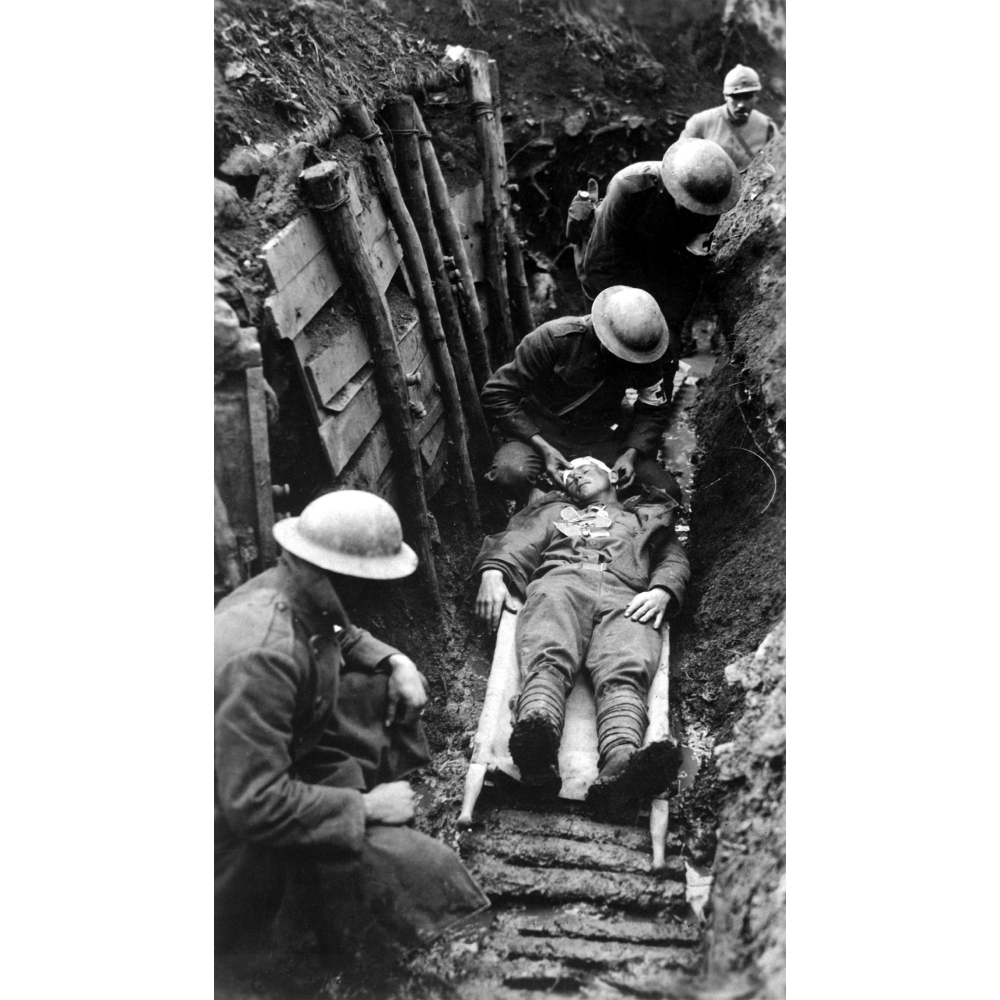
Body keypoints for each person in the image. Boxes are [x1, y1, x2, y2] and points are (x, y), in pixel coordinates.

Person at [215, 490, 488, 959]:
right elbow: (255, 803)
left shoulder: (292, 585)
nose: (372, 594)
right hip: (225, 837)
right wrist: (366, 810)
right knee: (419, 867)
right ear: (331, 574)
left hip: (257, 770)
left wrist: (397, 661)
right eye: (364, 582)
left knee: (379, 684)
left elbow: (341, 632)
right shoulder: (264, 655)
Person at [472, 457, 690, 812]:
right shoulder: (556, 511)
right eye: (569, 475)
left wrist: (662, 589)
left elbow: (672, 558)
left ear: (613, 477)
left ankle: (621, 762)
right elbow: (520, 540)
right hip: (563, 581)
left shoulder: (645, 517)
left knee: (627, 662)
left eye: (584, 470)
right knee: (548, 647)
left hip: (628, 594)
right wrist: (493, 571)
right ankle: (538, 737)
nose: (574, 477)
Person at [481, 285, 682, 505]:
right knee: (510, 474)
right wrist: (543, 448)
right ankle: (542, 500)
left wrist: (631, 454)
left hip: (602, 438)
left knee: (666, 491)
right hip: (543, 433)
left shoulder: (644, 354)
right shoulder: (554, 339)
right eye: (622, 355)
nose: (630, 363)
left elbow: (654, 409)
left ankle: (618, 513)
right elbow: (497, 394)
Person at [576, 138, 741, 365]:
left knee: (665, 349)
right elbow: (600, 265)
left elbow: (690, 268)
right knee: (608, 343)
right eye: (687, 203)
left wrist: (671, 324)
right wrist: (621, 317)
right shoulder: (630, 186)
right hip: (609, 257)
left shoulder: (707, 200)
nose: (695, 212)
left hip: (658, 259)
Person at [680, 64, 777, 174]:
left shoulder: (767, 126)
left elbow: (776, 167)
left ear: (756, 97)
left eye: (748, 97)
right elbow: (678, 161)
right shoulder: (700, 123)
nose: (741, 105)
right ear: (725, 96)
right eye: (735, 97)